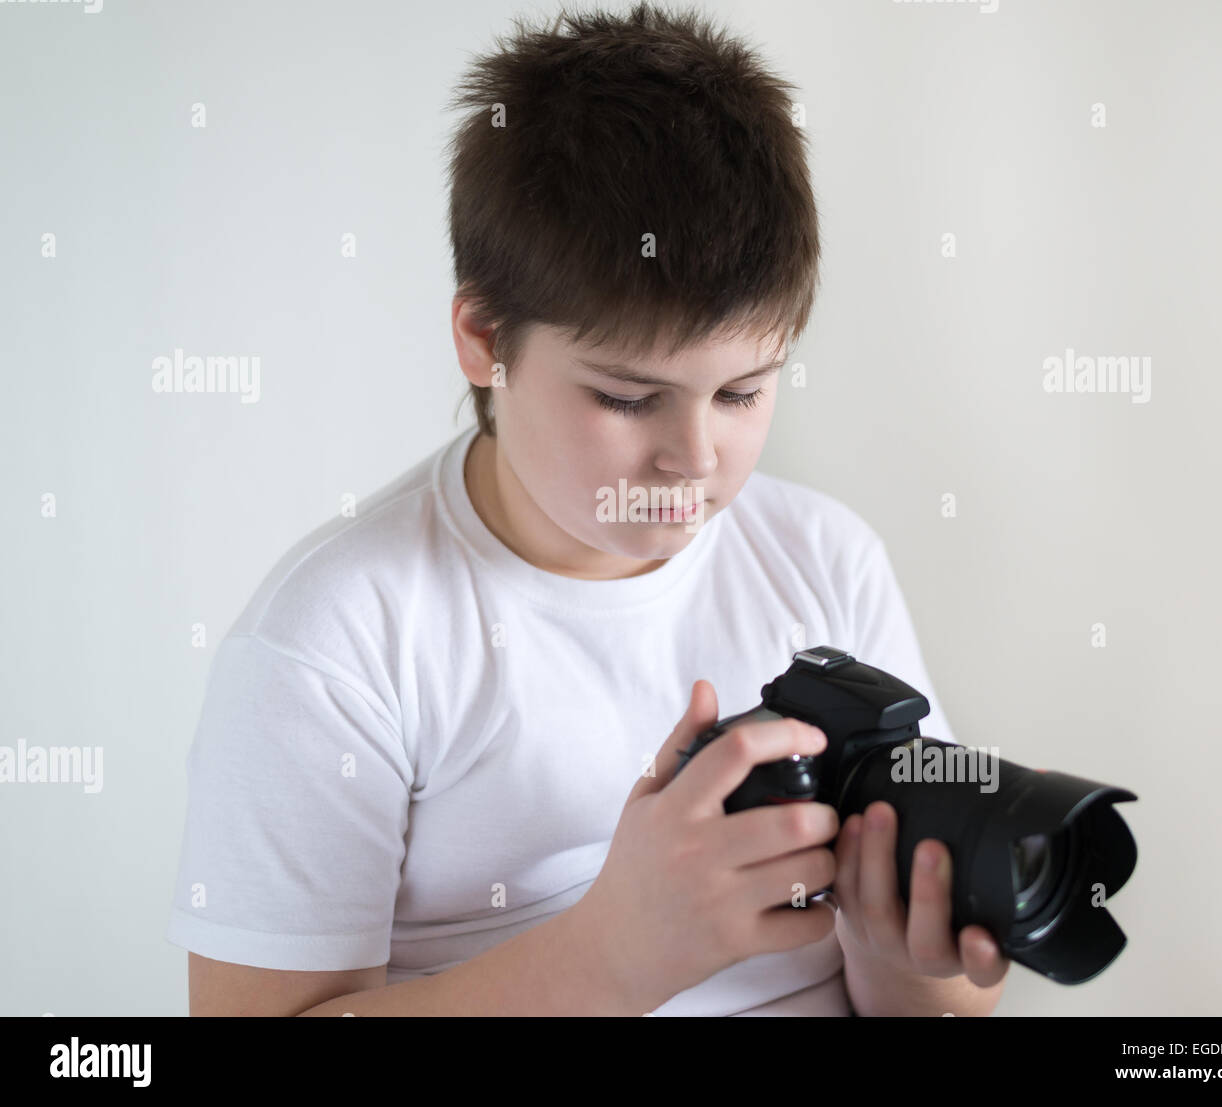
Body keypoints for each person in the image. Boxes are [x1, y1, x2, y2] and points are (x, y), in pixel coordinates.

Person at [167, 2, 1008, 1017]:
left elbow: (940, 1011)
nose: (694, 458)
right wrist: (616, 954)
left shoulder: (823, 560)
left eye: (742, 393)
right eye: (625, 397)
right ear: (483, 337)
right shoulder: (339, 638)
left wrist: (898, 941)